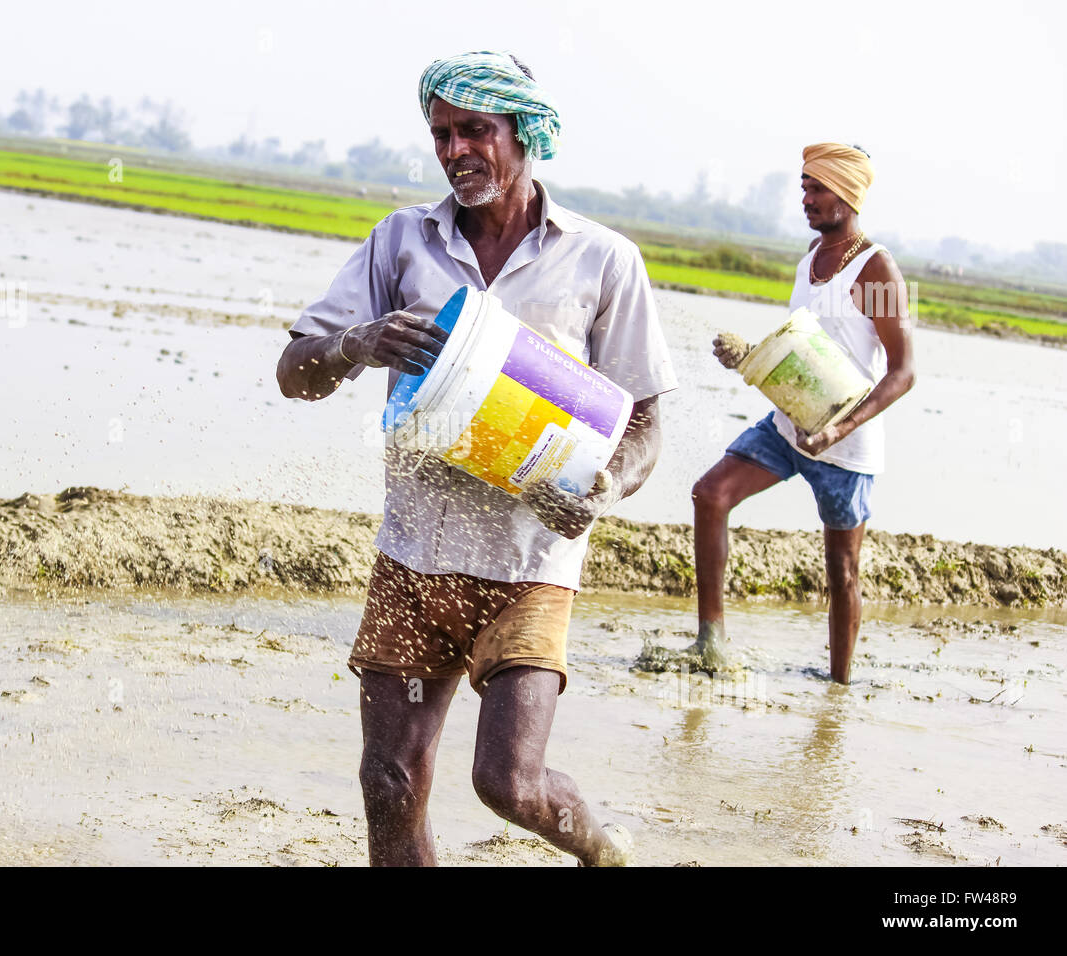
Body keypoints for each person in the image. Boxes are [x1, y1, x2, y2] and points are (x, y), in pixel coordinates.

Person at [276, 51, 677, 865]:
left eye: (474, 131)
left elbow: (644, 423)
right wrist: (358, 343)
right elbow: (294, 373)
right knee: (390, 783)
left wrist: (603, 489)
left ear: (524, 133)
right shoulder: (402, 240)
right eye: (441, 135)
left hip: (531, 562)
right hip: (412, 556)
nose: (455, 151)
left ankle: (601, 850)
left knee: (509, 784)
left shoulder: (602, 260)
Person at [691, 143, 916, 684]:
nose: (807, 200)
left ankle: (838, 686)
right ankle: (711, 641)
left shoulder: (876, 268)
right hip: (788, 428)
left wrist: (839, 427)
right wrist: (746, 358)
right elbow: (800, 355)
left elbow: (903, 371)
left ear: (849, 193)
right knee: (710, 494)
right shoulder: (808, 261)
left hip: (846, 447)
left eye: (817, 189)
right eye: (804, 189)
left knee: (841, 570)